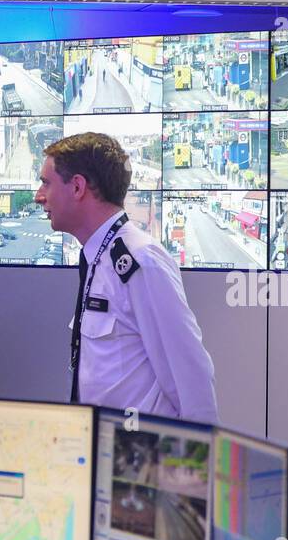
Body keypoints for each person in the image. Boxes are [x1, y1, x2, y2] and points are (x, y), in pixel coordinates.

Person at [35, 132, 218, 423]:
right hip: (103, 451)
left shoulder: (142, 260)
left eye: (46, 182)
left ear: (78, 187)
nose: (38, 196)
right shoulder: (97, 256)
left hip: (141, 456)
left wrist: (198, 463)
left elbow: (191, 378)